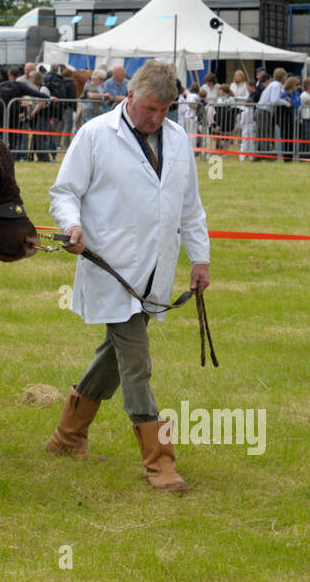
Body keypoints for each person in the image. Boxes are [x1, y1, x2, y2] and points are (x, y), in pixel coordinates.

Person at [45, 60, 210, 492]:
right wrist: (71, 225)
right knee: (137, 364)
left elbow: (190, 206)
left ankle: (68, 436)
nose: (157, 118)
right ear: (130, 96)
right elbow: (64, 192)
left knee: (113, 359)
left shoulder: (177, 140)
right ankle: (160, 461)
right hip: (110, 267)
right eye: (151, 109)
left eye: (165, 110)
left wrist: (200, 259)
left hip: (155, 271)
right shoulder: (96, 134)